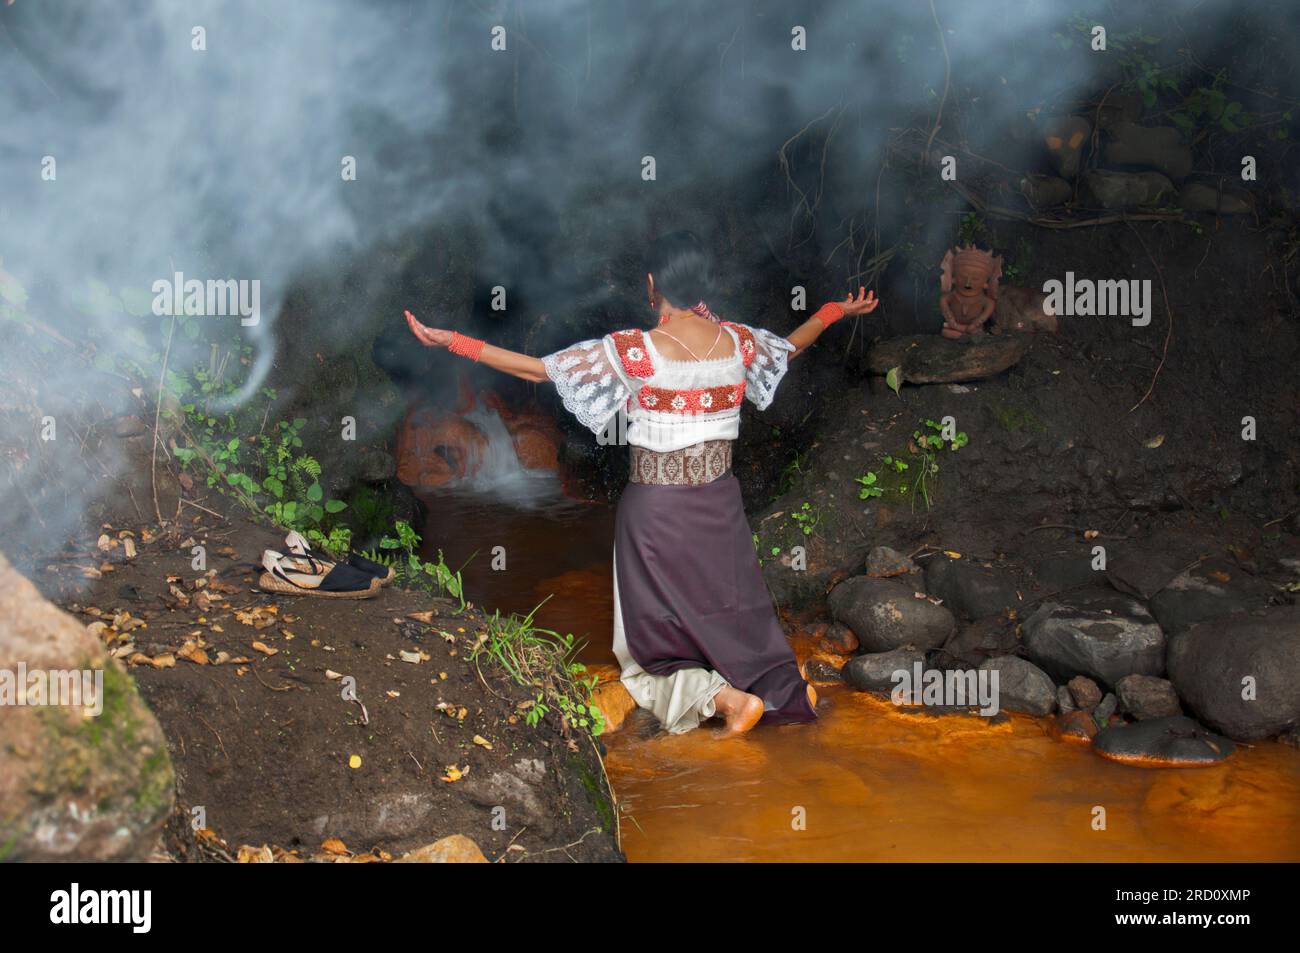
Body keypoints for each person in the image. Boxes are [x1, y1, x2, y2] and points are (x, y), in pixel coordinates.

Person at [404, 230, 878, 737]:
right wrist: (831, 313)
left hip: (656, 508)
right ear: (703, 285)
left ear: (653, 285)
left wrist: (453, 340)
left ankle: (724, 700)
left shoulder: (636, 352)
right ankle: (784, 688)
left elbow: (541, 372)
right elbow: (790, 347)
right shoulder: (739, 342)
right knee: (732, 606)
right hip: (719, 499)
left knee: (651, 642)